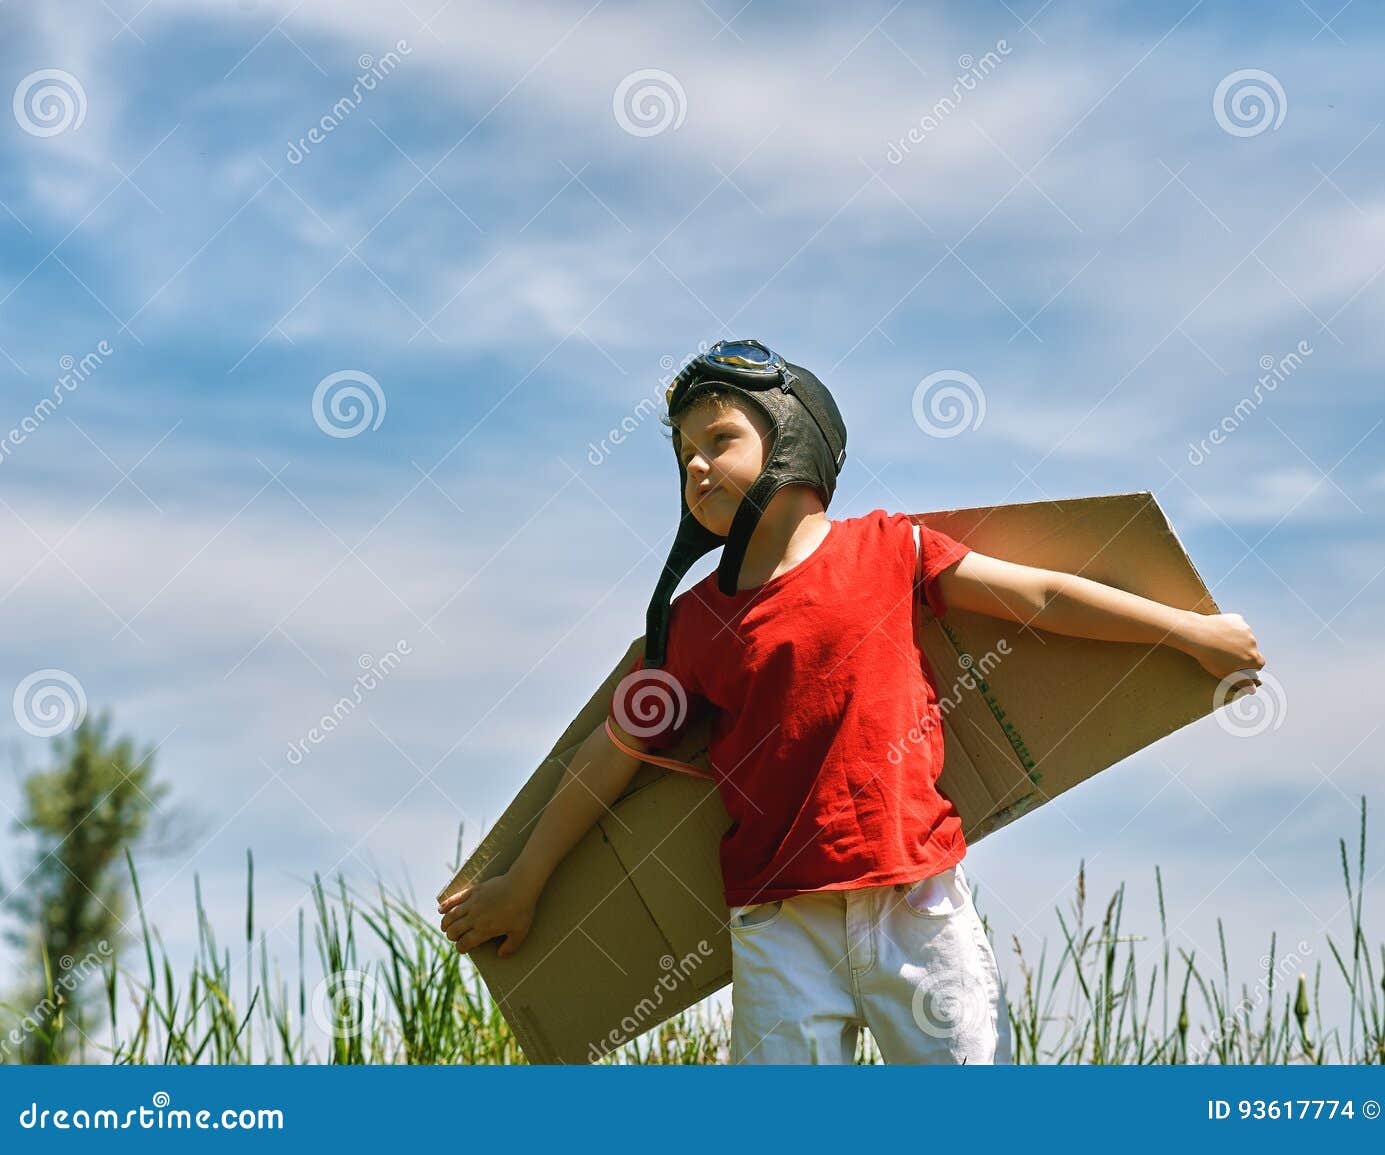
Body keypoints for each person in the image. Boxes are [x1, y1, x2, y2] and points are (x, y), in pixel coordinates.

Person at [437, 339, 1266, 1064]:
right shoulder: (692, 626)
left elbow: (1040, 596)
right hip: (778, 924)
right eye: (683, 453)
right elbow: (610, 752)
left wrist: (1190, 636)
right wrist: (525, 880)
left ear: (792, 433)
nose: (694, 465)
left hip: (918, 897)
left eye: (718, 439)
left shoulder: (889, 547)